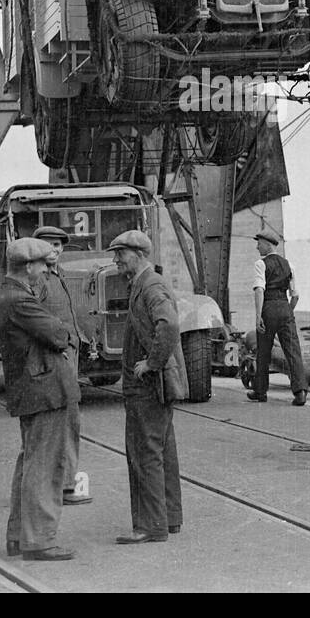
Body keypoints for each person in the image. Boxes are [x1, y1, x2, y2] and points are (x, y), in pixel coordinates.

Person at [0, 237, 80, 562]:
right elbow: (60, 334)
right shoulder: (21, 300)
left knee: (30, 463)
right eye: (43, 265)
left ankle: (20, 535)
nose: (47, 270)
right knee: (45, 466)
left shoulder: (10, 294)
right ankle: (39, 540)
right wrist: (64, 333)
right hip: (45, 390)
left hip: (33, 390)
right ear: (29, 267)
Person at [110, 229, 183, 544]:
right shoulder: (145, 283)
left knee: (145, 452)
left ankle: (150, 526)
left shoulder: (149, 286)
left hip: (148, 386)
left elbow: (169, 326)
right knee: (163, 450)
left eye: (120, 254)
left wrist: (152, 363)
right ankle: (169, 518)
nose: (115, 260)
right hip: (155, 386)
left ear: (138, 254)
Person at [33, 225, 91, 506]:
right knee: (62, 420)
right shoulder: (39, 280)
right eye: (48, 245)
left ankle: (66, 482)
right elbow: (39, 321)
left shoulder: (60, 275)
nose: (54, 250)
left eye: (58, 245)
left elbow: (66, 313)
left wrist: (80, 335)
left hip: (71, 352)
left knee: (71, 419)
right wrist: (61, 345)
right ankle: (62, 485)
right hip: (58, 356)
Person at [247, 231, 308, 406]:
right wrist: (288, 311)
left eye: (259, 243)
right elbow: (295, 295)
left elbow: (259, 290)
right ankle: (300, 392)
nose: (257, 246)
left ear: (267, 244)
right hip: (285, 307)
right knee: (293, 351)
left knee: (264, 352)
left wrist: (259, 315)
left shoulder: (261, 264)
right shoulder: (289, 265)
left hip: (269, 307)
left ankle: (260, 392)